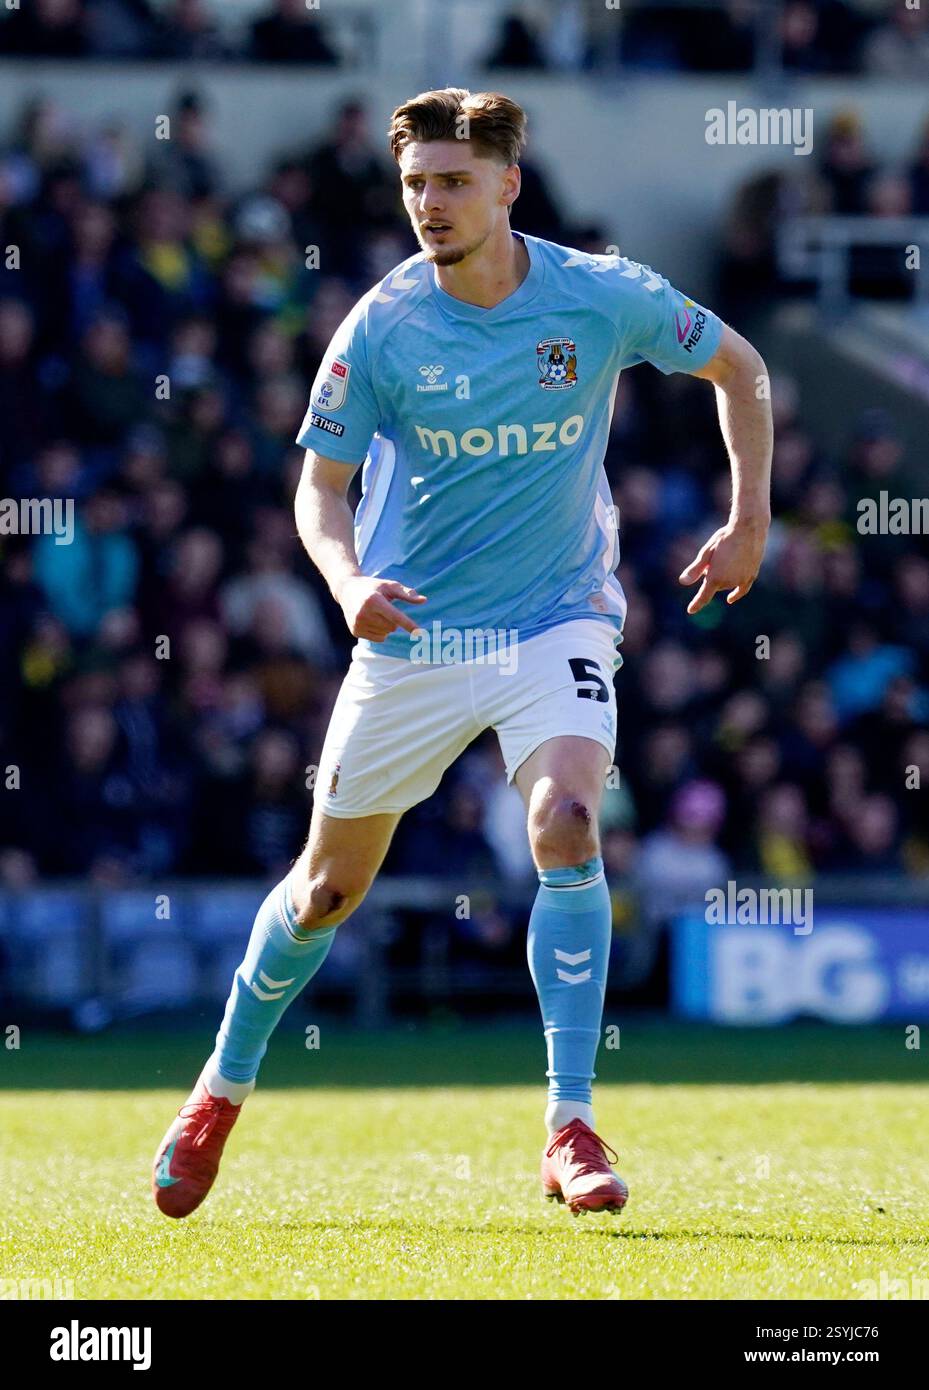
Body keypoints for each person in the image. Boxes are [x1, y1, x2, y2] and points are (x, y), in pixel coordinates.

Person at [152, 88, 772, 1220]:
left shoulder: (598, 296)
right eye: (412, 184)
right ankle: (218, 1091)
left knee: (567, 822)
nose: (427, 203)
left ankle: (569, 1124)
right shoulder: (381, 326)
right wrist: (347, 586)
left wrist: (748, 519)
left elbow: (742, 369)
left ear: (505, 185)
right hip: (413, 630)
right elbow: (318, 491)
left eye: (448, 180)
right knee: (328, 889)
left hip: (556, 617)